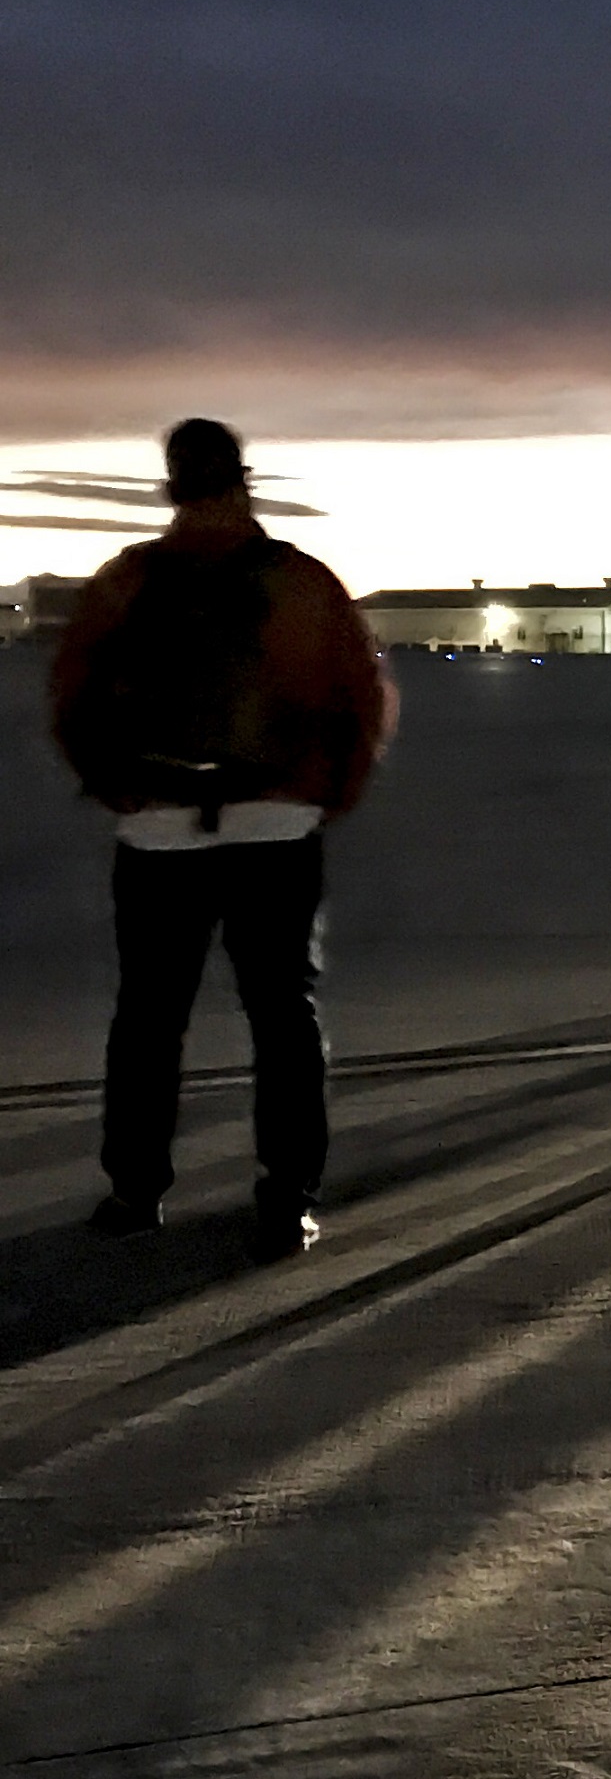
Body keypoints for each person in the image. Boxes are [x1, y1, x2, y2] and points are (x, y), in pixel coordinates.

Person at [48, 418, 393, 1260]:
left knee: (149, 1015)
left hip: (158, 825)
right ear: (245, 480)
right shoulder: (301, 581)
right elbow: (359, 696)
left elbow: (73, 697)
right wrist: (326, 796)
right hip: (276, 820)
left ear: (170, 486)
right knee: (281, 1014)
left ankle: (135, 1189)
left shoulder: (127, 580)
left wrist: (118, 787)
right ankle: (287, 1196)